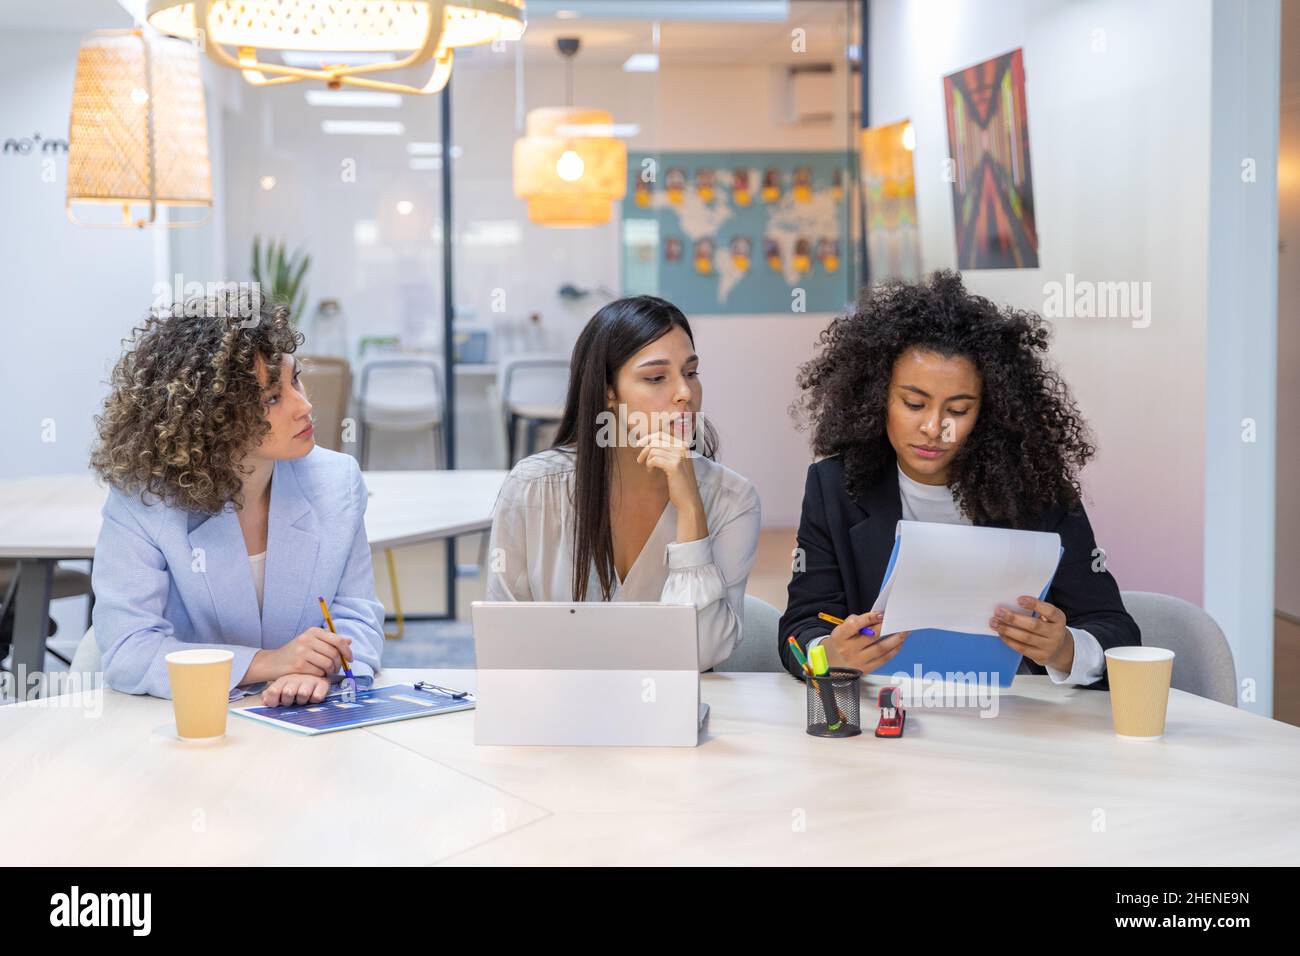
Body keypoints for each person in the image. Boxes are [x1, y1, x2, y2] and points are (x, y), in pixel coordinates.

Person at [778, 270, 1140, 687]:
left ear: (989, 412)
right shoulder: (834, 487)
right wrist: (828, 655)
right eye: (914, 403)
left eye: (958, 409)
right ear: (877, 396)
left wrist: (1067, 649)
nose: (934, 427)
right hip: (882, 726)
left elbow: (1117, 632)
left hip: (1011, 728)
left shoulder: (1039, 492)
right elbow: (800, 627)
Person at [89, 293, 384, 706]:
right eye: (272, 398)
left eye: (294, 379)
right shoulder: (144, 500)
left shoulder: (338, 482)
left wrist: (323, 669)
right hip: (187, 723)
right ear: (212, 419)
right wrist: (270, 663)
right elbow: (130, 649)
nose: (305, 405)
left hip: (306, 720)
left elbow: (358, 614)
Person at [486, 295, 761, 670]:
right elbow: (504, 643)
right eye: (656, 378)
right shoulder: (533, 489)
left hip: (674, 716)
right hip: (557, 716)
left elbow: (702, 653)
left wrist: (691, 511)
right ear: (608, 391)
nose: (685, 392)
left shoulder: (732, 499)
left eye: (691, 372)